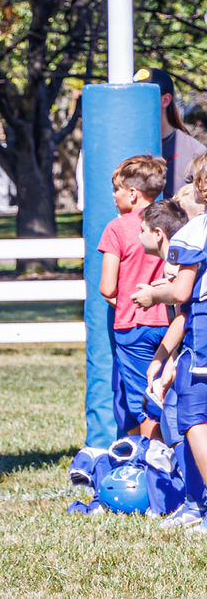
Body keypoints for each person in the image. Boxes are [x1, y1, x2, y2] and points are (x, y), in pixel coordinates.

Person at [133, 197, 207, 528]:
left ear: (159, 234)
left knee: (185, 424)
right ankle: (193, 501)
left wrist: (165, 358)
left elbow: (183, 313)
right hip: (186, 354)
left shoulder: (182, 260)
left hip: (193, 354)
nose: (138, 236)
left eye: (142, 230)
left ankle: (196, 503)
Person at [98, 155, 170, 438]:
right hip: (171, 325)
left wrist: (120, 297)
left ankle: (152, 468)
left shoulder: (117, 228)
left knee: (144, 401)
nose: (114, 196)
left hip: (133, 328)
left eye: (116, 189)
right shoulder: (173, 219)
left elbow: (107, 287)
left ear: (132, 193)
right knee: (169, 394)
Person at [136, 67, 207, 199]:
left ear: (165, 100)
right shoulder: (126, 145)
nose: (135, 104)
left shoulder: (196, 153)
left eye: (142, 98)